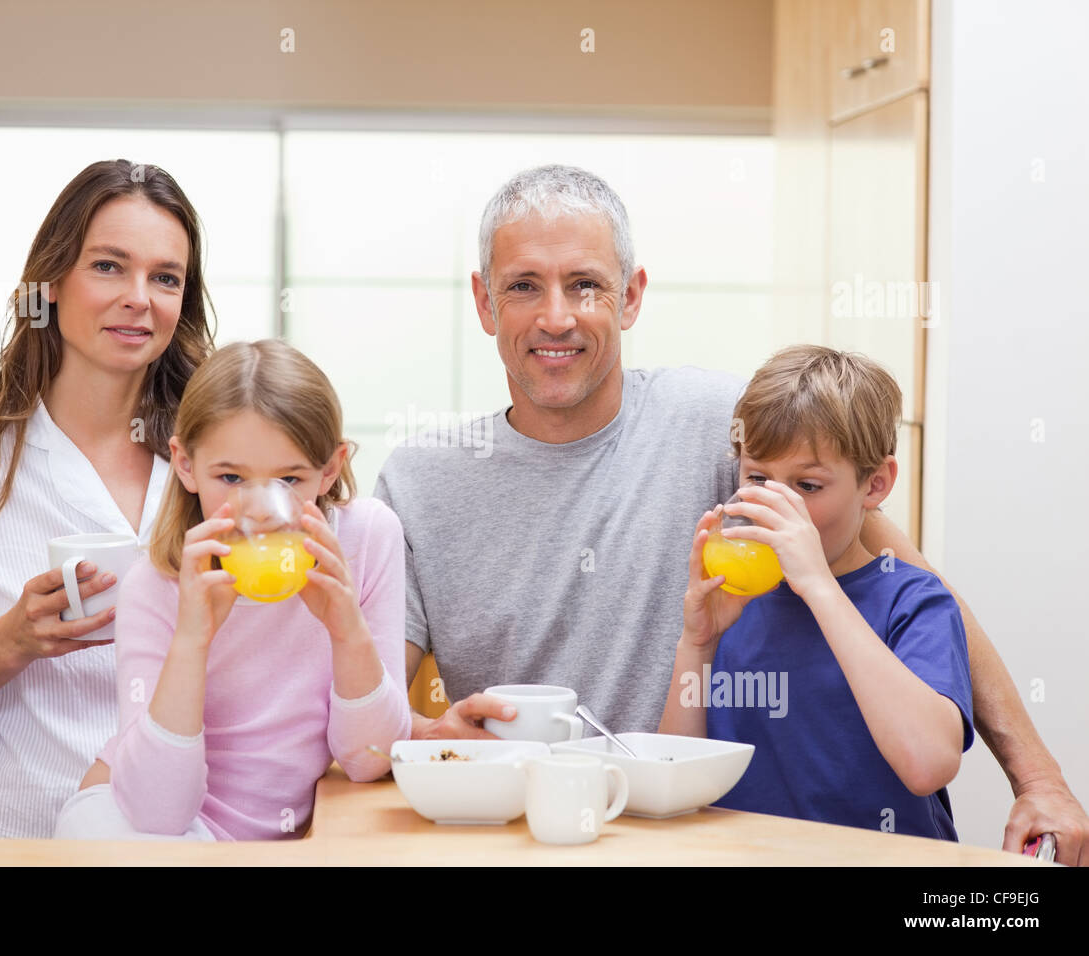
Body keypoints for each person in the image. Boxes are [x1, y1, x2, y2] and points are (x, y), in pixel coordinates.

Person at [374, 163, 1088, 863]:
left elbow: (913, 591)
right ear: (484, 301)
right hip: (520, 849)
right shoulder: (419, 480)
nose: (555, 316)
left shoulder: (730, 428)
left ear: (630, 297)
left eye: (585, 284)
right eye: (524, 286)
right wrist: (432, 735)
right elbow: (364, 716)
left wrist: (1040, 781)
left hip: (697, 846)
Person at [0, 159, 215, 838]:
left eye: (165, 277)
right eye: (109, 266)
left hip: (187, 847)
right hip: (17, 848)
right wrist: (11, 642)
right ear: (50, 284)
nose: (140, 297)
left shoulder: (214, 462)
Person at [53, 340, 409, 841]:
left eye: (289, 478)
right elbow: (159, 815)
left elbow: (369, 761)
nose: (260, 510)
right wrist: (191, 640)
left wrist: (347, 630)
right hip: (140, 818)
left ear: (330, 468)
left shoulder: (366, 540)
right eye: (231, 477)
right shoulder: (155, 586)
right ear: (184, 464)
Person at [659, 345, 972, 838]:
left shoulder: (913, 602)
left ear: (875, 485)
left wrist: (820, 588)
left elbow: (928, 764)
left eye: (807, 485)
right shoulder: (736, 604)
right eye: (758, 478)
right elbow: (673, 784)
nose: (777, 504)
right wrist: (696, 645)